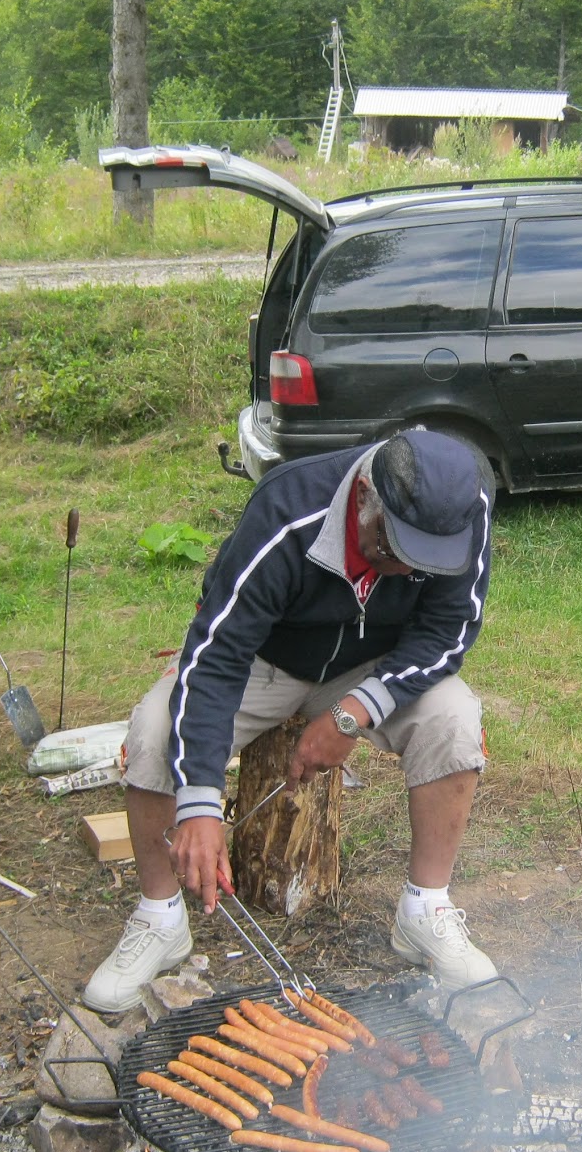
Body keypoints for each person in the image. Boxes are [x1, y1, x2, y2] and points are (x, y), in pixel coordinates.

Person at [84, 430, 496, 1012]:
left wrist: (356, 710)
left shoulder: (463, 507)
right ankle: (160, 916)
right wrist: (199, 803)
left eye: (424, 559)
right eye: (395, 549)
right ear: (364, 499)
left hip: (373, 666)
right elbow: (217, 657)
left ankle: (423, 910)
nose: (408, 570)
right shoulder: (287, 509)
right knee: (154, 729)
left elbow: (448, 632)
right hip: (264, 660)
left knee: (455, 719)